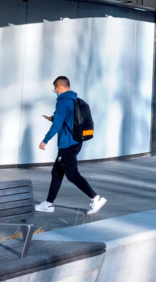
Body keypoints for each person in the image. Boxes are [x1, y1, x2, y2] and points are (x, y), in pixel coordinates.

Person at [35, 76, 107, 215]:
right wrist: (55, 118)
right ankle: (48, 204)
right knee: (56, 173)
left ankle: (96, 198)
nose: (55, 91)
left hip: (67, 144)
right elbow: (67, 120)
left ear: (60, 87)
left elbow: (57, 126)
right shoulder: (75, 100)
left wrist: (45, 140)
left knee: (72, 174)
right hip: (76, 142)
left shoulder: (62, 102)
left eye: (55, 89)